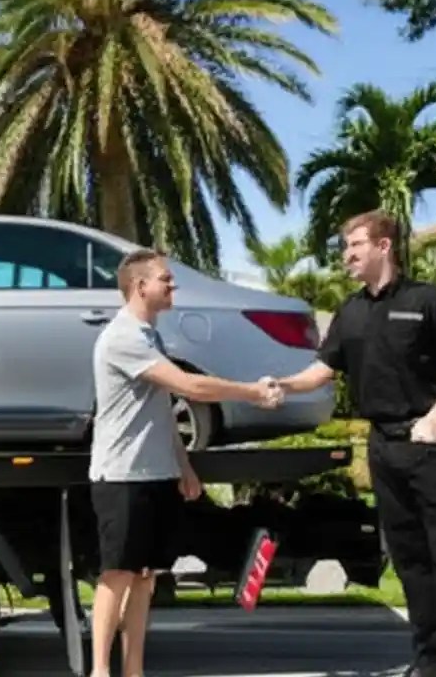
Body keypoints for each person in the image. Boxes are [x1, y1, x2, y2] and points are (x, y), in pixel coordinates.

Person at [269, 209, 436, 677]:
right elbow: (323, 368)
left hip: (429, 446)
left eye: (356, 246)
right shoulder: (350, 312)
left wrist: (434, 419)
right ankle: (428, 661)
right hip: (383, 447)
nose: (347, 255)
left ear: (383, 247)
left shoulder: (427, 300)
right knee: (409, 559)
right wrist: (285, 385)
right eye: (345, 247)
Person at [88, 248, 282, 677]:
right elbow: (189, 386)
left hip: (156, 474)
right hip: (122, 476)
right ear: (140, 286)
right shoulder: (123, 337)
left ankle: (133, 669)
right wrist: (251, 392)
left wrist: (185, 467)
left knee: (145, 578)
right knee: (117, 575)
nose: (173, 286)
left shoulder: (150, 337)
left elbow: (162, 410)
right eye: (165, 280)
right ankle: (100, 670)